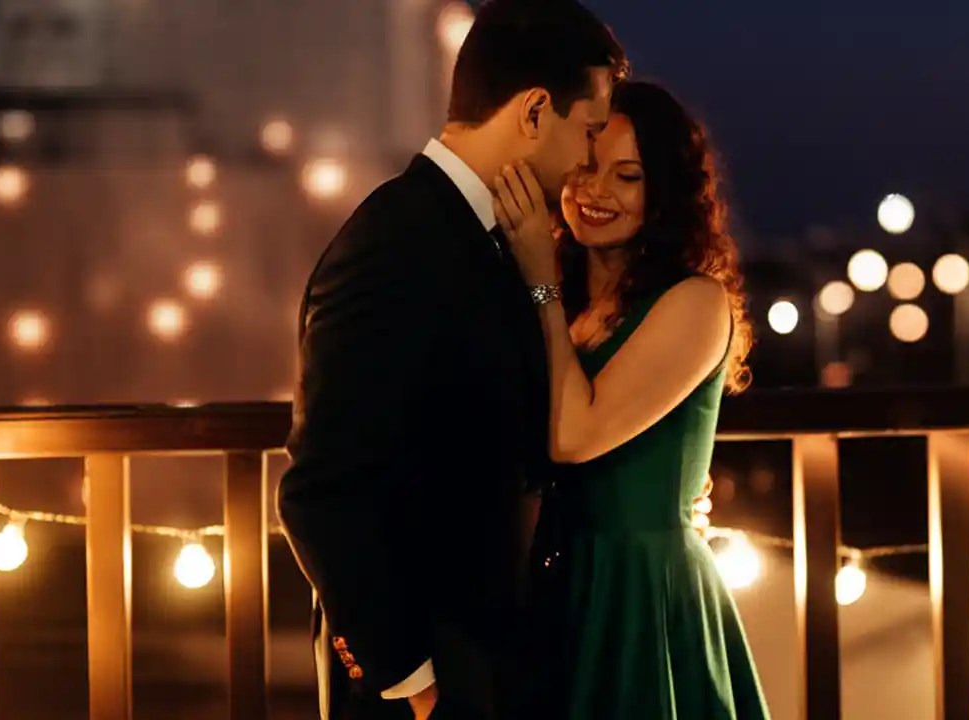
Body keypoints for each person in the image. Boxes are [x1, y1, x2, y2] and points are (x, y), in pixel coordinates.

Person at [274, 1, 627, 718]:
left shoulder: (487, 235)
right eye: (589, 132)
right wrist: (416, 684)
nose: (588, 160)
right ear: (535, 112)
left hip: (495, 656)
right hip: (435, 674)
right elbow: (321, 491)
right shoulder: (396, 243)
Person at [494, 79, 771, 719]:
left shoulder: (694, 301)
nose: (595, 192)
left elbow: (574, 435)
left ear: (665, 190)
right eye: (585, 167)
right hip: (549, 580)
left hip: (642, 591)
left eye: (627, 176)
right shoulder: (560, 294)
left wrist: (539, 280)